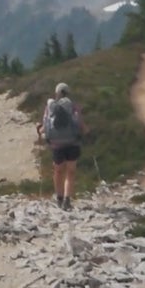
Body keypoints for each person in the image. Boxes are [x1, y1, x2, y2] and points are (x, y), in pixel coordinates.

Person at [41, 82, 86, 210]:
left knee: (58, 171)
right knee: (70, 172)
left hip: (56, 144)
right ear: (68, 92)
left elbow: (45, 126)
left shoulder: (50, 107)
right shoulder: (73, 106)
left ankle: (59, 198)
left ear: (56, 93)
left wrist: (40, 132)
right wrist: (87, 131)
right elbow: (80, 124)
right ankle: (67, 199)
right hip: (73, 142)